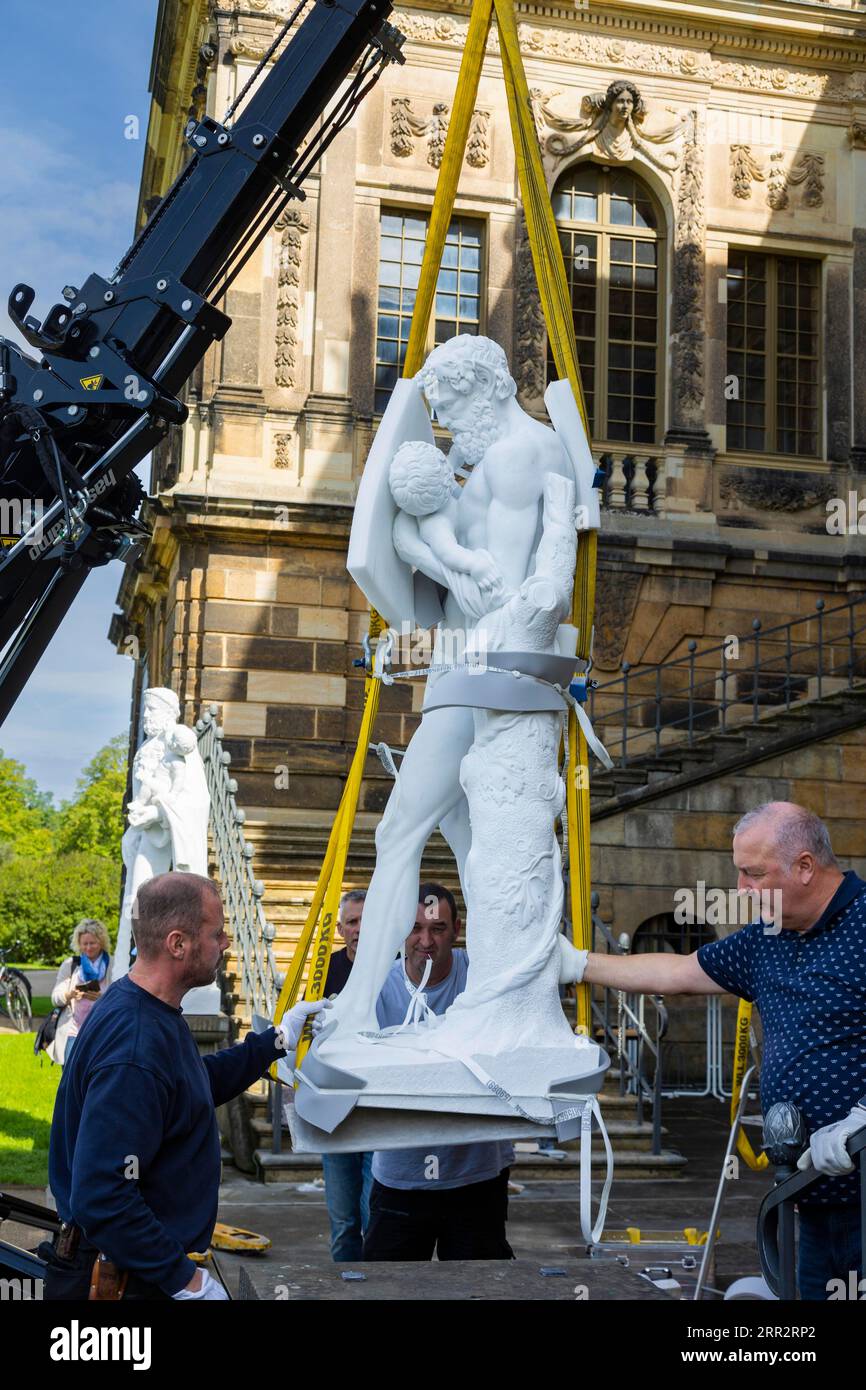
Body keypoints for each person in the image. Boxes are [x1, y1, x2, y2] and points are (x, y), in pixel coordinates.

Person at [570, 802, 866, 1302]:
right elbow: (680, 973)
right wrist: (577, 963)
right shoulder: (768, 938)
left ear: (805, 867)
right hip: (810, 1196)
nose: (741, 891)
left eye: (753, 874)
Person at [43, 871, 327, 1300]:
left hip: (134, 1268)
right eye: (217, 933)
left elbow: (189, 1087)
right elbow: (103, 1195)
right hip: (124, 1282)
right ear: (178, 943)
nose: (226, 943)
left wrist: (275, 1042)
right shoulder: (136, 1043)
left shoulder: (144, 1005)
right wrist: (187, 1282)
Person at [361, 882, 514, 1262]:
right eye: (415, 928)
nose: (425, 940)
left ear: (457, 930)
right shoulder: (377, 985)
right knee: (387, 1288)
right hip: (401, 1174)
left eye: (438, 928)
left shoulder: (482, 976)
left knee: (479, 1289)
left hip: (478, 1176)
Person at [320, 889, 373, 1261]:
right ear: (340, 929)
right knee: (343, 1223)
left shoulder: (395, 969)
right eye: (353, 922)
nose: (360, 929)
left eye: (367, 921)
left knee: (376, 1217)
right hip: (336, 1107)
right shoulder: (324, 972)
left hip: (380, 1106)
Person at [48, 919, 113, 1067]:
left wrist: (102, 998)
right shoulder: (70, 965)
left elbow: (122, 1000)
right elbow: (55, 998)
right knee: (70, 1080)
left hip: (102, 1032)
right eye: (85, 944)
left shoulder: (112, 965)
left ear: (101, 942)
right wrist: (69, 994)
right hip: (74, 1031)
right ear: (79, 944)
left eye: (93, 943)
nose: (88, 948)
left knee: (98, 1080)